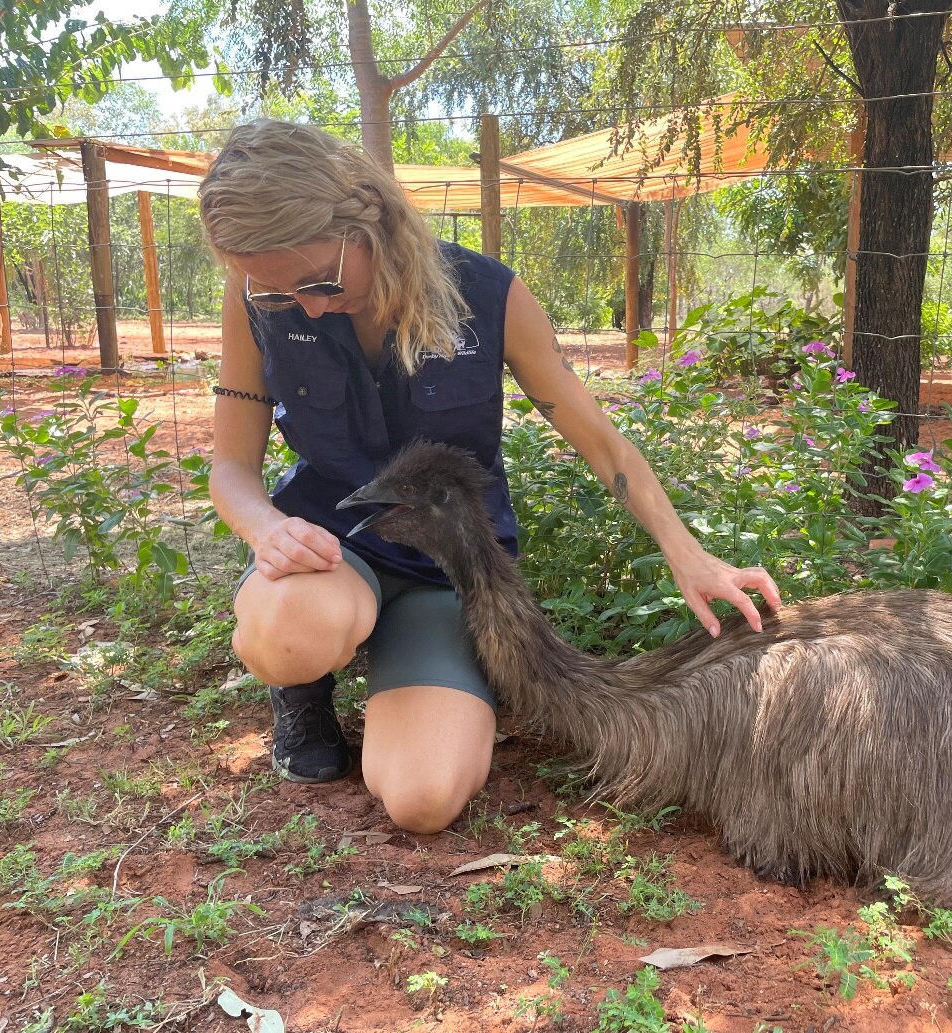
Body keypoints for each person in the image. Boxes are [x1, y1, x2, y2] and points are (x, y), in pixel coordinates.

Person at [200, 119, 782, 835]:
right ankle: (304, 689)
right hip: (331, 553)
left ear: (366, 219)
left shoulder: (489, 295)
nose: (310, 306)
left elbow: (604, 445)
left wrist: (686, 552)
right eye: (281, 294)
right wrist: (267, 530)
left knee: (422, 800)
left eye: (319, 282)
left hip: (449, 570)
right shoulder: (253, 300)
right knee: (287, 631)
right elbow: (230, 467)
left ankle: (419, 660)